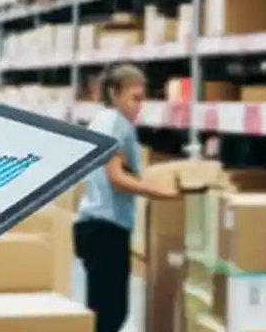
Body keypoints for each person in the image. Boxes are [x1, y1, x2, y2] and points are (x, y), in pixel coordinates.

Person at [74, 64, 179, 332]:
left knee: (106, 310)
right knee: (110, 313)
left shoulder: (104, 120)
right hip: (104, 227)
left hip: (99, 226)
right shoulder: (113, 122)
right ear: (114, 93)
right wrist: (159, 192)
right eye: (134, 98)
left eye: (142, 99)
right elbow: (116, 177)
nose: (138, 106)